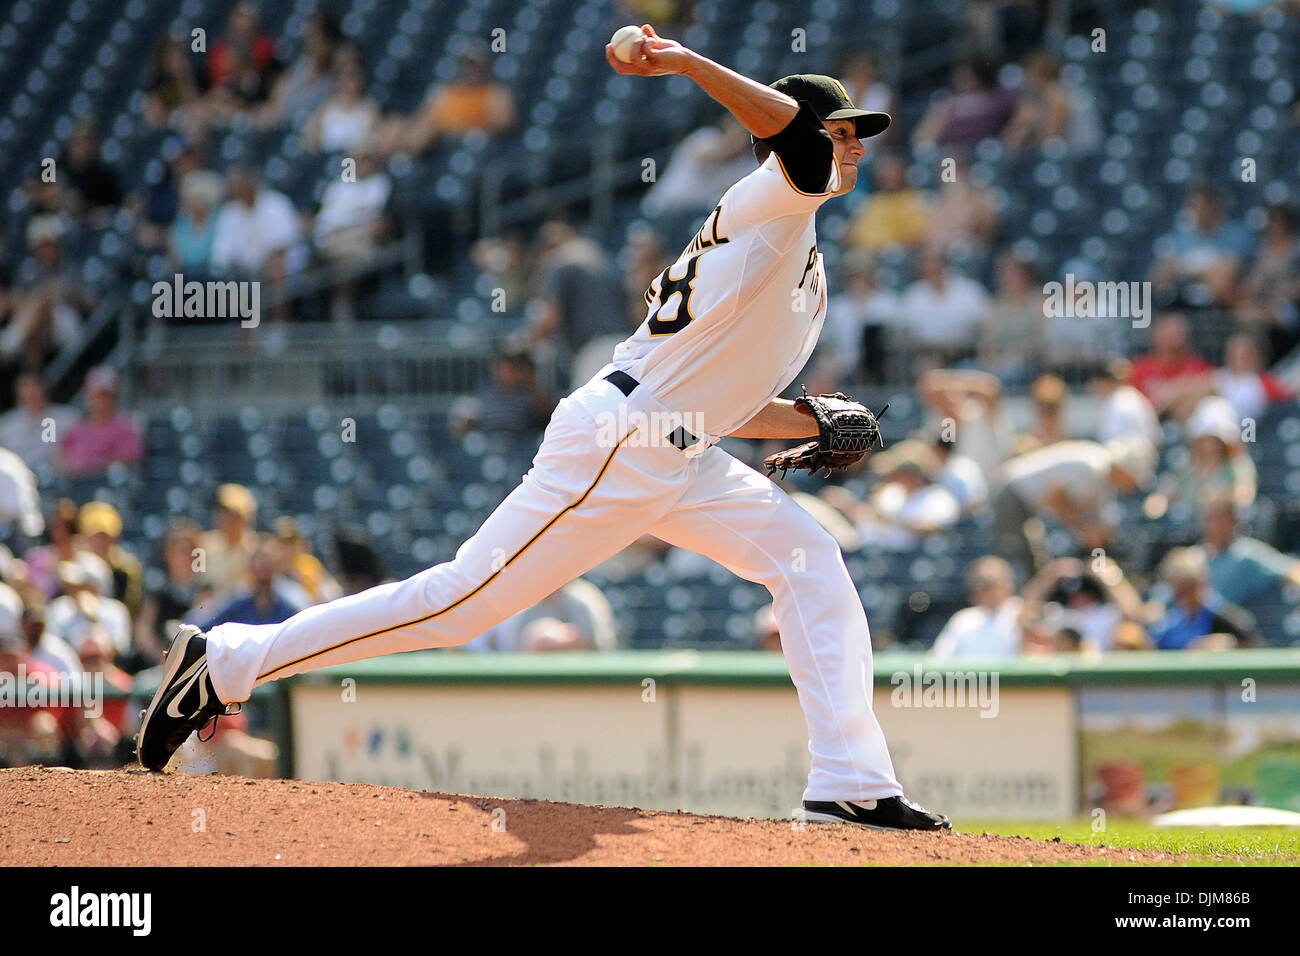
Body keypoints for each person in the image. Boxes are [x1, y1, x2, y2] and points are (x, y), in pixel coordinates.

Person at [137, 28, 950, 831]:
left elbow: (720, 401)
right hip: (621, 441)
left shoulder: (795, 244)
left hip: (677, 446)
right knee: (458, 604)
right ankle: (226, 661)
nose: (855, 148)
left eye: (857, 135)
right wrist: (682, 61)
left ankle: (850, 780)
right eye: (842, 132)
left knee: (810, 560)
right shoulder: (775, 194)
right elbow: (793, 140)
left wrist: (807, 418)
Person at [1200, 494, 1300, 607]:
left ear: (1233, 520)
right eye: (1208, 518)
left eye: (1219, 518)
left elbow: (1293, 570)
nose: (1212, 525)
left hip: (1233, 621)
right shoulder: (1196, 557)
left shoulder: (1247, 552)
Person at [930, 557, 1022, 659]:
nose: (983, 590)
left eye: (988, 583)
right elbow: (938, 658)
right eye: (977, 584)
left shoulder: (1024, 612)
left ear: (1008, 584)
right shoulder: (963, 619)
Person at [0, 370, 80, 475]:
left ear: (45, 388)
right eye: (26, 386)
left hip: (60, 480)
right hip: (19, 481)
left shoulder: (69, 418)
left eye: (35, 386)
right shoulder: (6, 424)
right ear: (18, 392)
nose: (31, 392)